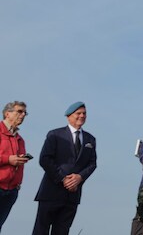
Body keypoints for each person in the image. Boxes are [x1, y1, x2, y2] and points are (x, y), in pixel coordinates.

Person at [32, 101, 96, 235]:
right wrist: (63, 179)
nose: (82, 116)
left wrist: (79, 177)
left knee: (62, 231)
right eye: (78, 113)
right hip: (51, 192)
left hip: (72, 196)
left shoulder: (90, 139)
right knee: (41, 230)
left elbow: (92, 164)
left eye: (84, 113)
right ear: (69, 116)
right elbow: (45, 159)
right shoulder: (55, 134)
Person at [0, 101, 30, 230]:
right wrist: (8, 159)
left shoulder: (20, 139)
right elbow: (9, 159)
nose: (23, 115)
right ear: (7, 113)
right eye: (19, 111)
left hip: (11, 191)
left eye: (25, 113)